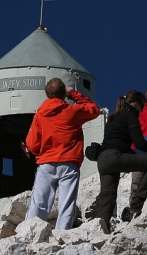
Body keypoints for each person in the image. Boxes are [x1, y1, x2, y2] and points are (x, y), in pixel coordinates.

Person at [24, 77, 100, 230]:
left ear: (47, 94)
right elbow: (93, 109)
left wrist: (42, 151)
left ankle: (29, 232)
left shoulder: (40, 115)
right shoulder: (72, 112)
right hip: (69, 163)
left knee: (40, 202)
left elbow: (31, 144)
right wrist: (74, 94)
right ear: (63, 93)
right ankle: (62, 234)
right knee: (66, 204)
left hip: (46, 163)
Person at [95, 90, 147, 234]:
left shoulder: (113, 118)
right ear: (135, 104)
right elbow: (139, 142)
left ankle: (100, 230)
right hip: (115, 157)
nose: (141, 110)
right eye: (141, 106)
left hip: (103, 159)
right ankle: (138, 201)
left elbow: (117, 140)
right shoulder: (130, 115)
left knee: (107, 195)